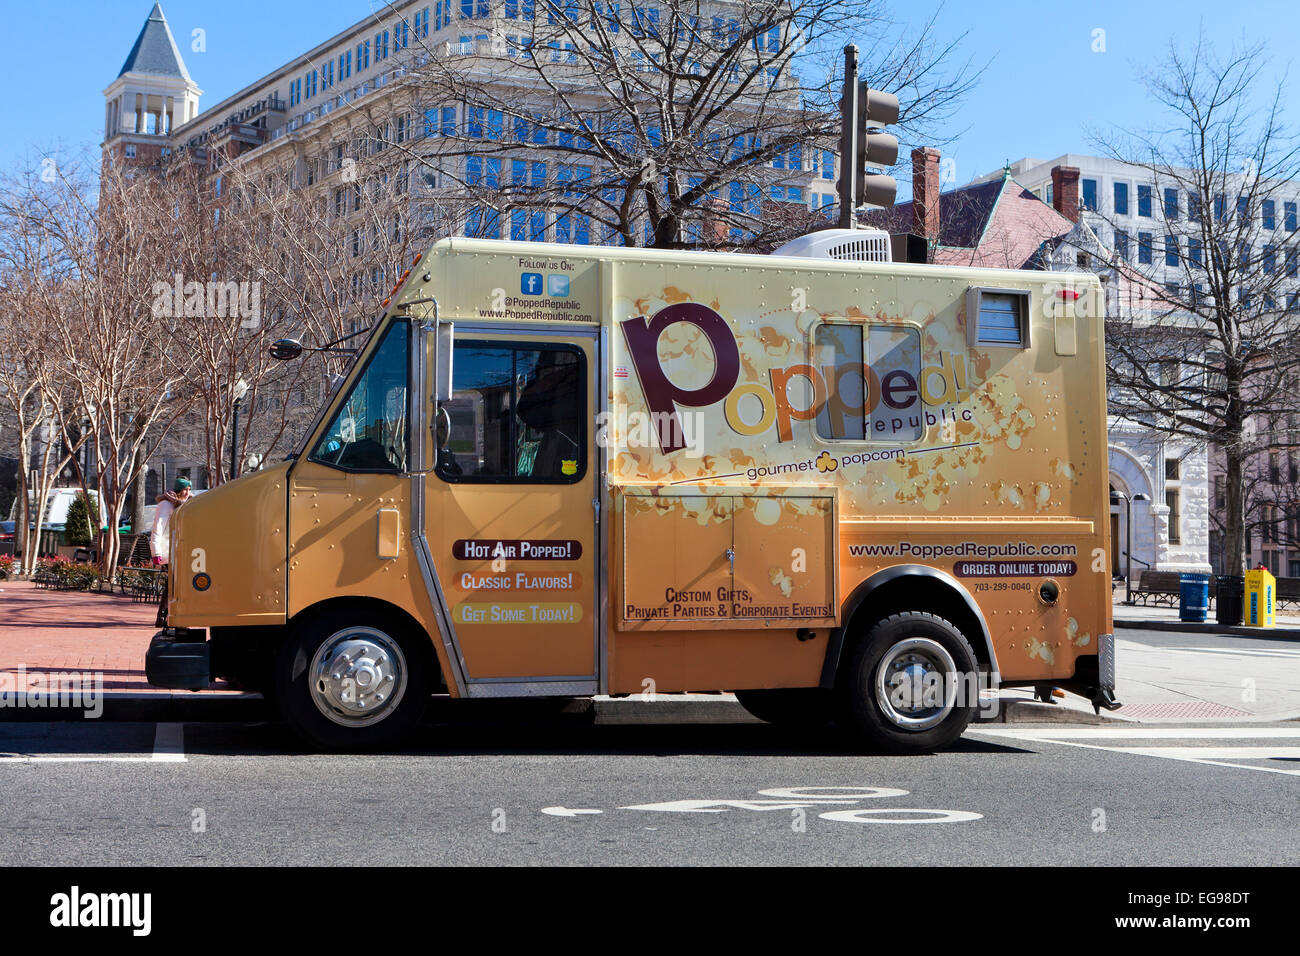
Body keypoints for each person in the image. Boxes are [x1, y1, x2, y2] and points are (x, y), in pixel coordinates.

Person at [150, 477, 191, 567]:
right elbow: (158, 528)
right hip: (169, 553)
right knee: (171, 580)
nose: (187, 493)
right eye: (184, 489)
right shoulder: (166, 504)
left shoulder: (188, 505)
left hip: (184, 553)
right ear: (178, 490)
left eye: (189, 489)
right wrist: (156, 552)